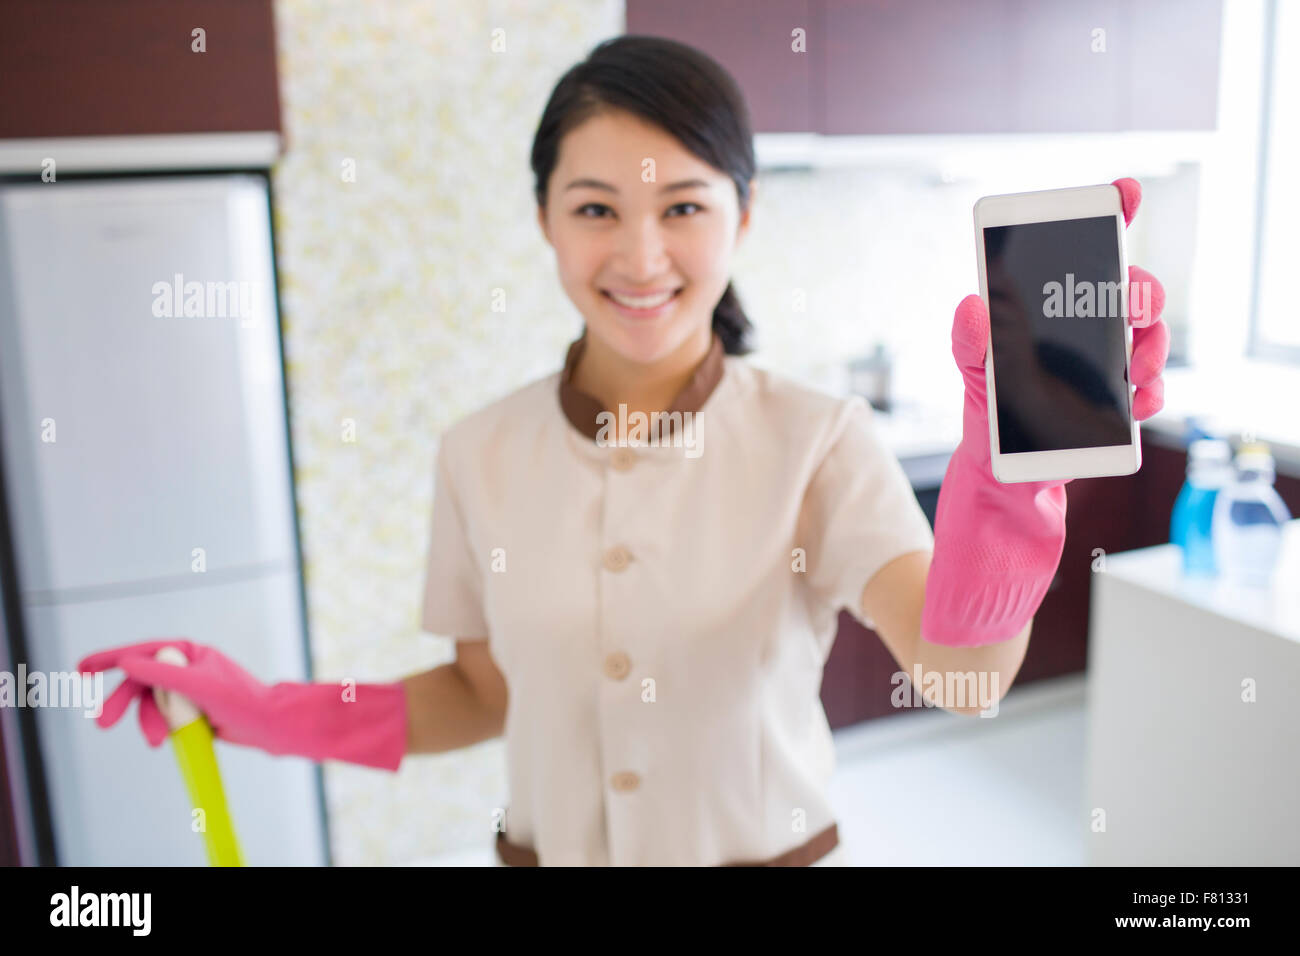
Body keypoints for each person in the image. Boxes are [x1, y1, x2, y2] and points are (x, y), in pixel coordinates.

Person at [78, 35, 1169, 867]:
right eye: (595, 207)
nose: (640, 254)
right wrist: (272, 711)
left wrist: (1012, 484)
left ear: (743, 215)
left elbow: (963, 672)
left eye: (683, 205)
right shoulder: (479, 453)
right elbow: (482, 691)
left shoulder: (817, 441)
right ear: (546, 221)